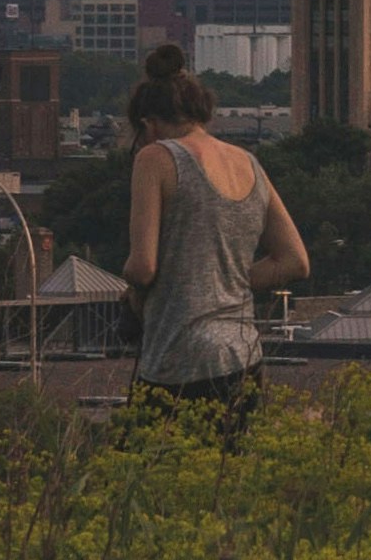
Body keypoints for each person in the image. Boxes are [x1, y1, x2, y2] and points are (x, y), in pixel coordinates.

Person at [117, 45, 309, 429]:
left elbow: (142, 268)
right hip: (243, 356)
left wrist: (135, 291)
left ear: (147, 124)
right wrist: (225, 281)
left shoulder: (155, 158)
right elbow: (295, 261)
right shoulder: (248, 162)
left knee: (144, 472)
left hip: (178, 359)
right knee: (227, 475)